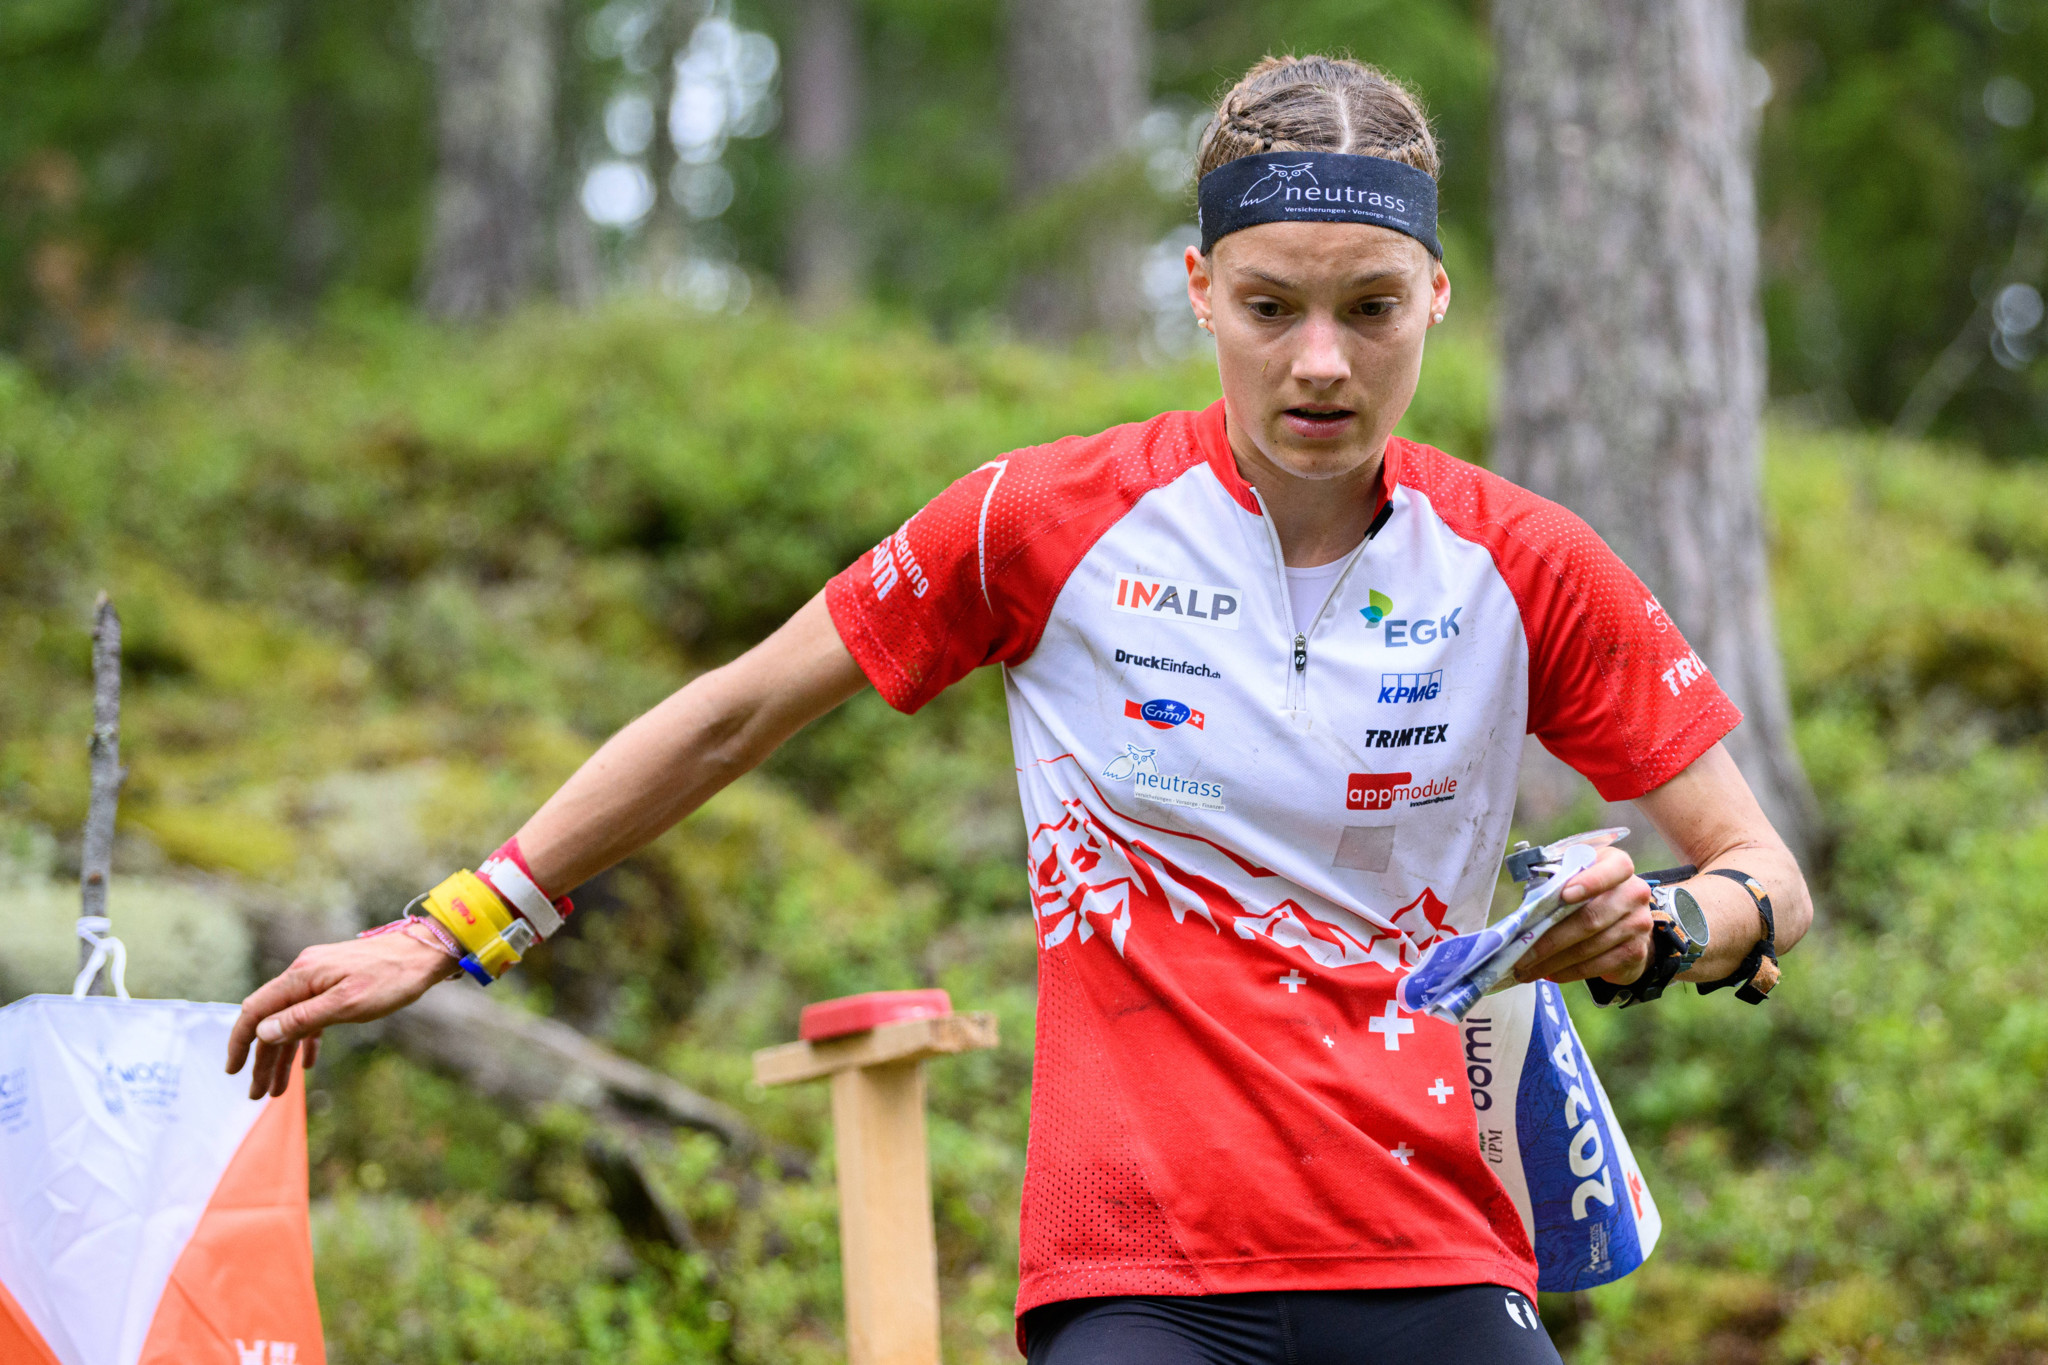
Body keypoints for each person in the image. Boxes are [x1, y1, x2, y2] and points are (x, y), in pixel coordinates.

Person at [227, 53, 1811, 1365]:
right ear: (1198, 290)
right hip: (1137, 1274)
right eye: (1271, 308)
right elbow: (733, 713)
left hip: (1432, 1245)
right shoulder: (1039, 523)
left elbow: (1763, 873)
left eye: (1371, 309)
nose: (1320, 362)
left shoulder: (1526, 560)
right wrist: (446, 928)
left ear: (1439, 299)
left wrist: (1667, 928)